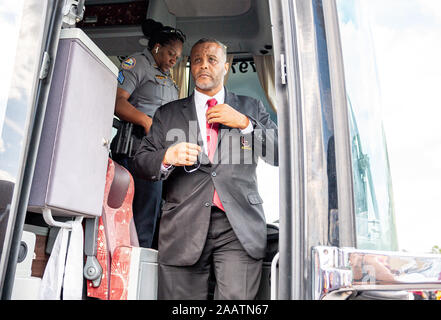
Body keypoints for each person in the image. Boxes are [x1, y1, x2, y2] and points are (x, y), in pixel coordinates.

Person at [133, 38, 278, 300]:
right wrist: (167, 156)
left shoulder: (251, 108)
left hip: (239, 226)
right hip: (182, 226)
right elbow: (141, 162)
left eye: (211, 59)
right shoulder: (168, 114)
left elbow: (279, 152)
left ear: (226, 65)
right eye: (197, 60)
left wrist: (245, 124)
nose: (203, 65)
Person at [110, 19, 185, 248]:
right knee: (137, 216)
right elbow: (117, 101)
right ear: (157, 47)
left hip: (159, 155)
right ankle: (130, 270)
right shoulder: (138, 64)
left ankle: (141, 262)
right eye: (171, 53)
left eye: (178, 57)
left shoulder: (170, 81)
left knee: (152, 215)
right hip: (135, 148)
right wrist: (145, 120)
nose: (174, 60)